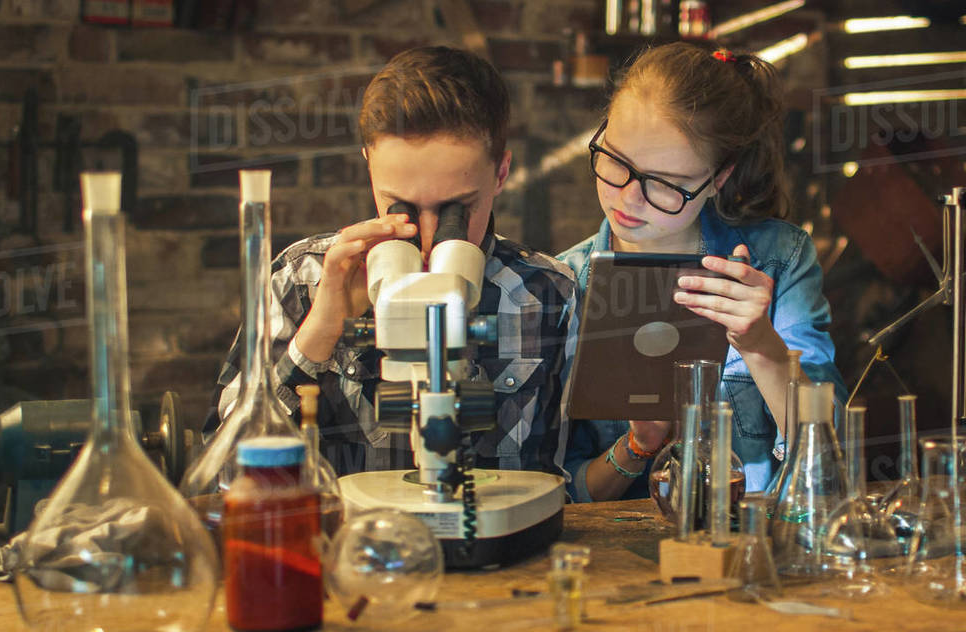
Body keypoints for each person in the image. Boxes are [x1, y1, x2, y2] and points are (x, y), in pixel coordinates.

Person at [205, 46, 578, 477]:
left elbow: (561, 483)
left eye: (456, 210)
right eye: (398, 207)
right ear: (369, 167)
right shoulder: (300, 280)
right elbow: (222, 473)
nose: (427, 234)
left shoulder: (549, 294)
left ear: (500, 173)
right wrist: (319, 333)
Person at [559, 43, 845, 502]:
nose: (627, 198)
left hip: (752, 542)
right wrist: (635, 449)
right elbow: (555, 494)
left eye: (665, 184)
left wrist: (761, 346)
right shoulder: (560, 283)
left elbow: (831, 461)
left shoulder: (778, 259)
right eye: (615, 160)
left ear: (718, 179)